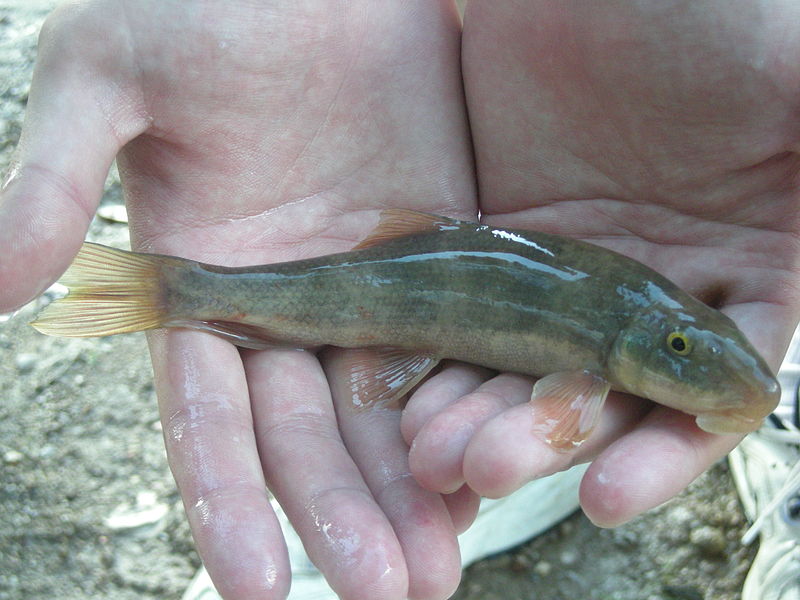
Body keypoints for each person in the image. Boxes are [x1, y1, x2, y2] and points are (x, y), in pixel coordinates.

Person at [2, 1, 798, 599]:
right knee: (476, 449)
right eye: (684, 350)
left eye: (690, 343)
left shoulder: (641, 309)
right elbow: (568, 401)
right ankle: (176, 291)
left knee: (487, 446)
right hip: (428, 284)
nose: (690, 351)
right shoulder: (610, 344)